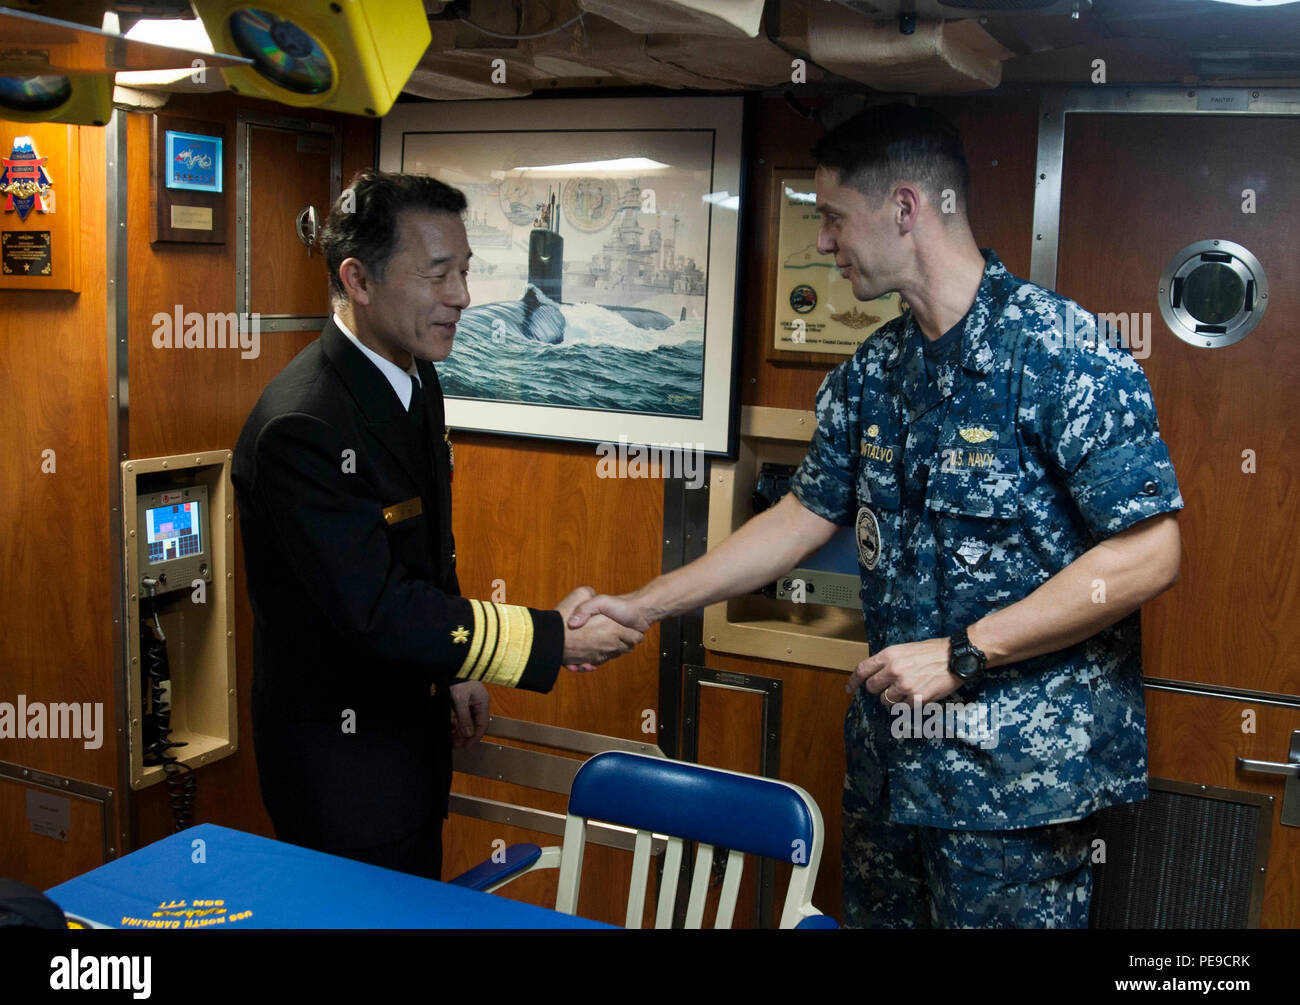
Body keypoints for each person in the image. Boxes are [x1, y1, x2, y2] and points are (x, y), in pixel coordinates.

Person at [569, 103, 1183, 928]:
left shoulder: (1064, 353)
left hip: (1014, 797)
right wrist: (644, 603)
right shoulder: (875, 371)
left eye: (831, 218)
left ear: (905, 207)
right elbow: (802, 514)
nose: (822, 243)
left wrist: (965, 651)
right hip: (892, 778)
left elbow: (1149, 554)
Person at [232, 171, 640, 880]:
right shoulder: (303, 427)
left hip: (410, 744)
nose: (463, 296)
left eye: (466, 271)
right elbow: (379, 609)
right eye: (439, 274)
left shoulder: (414, 373)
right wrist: (551, 636)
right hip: (342, 772)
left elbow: (425, 548)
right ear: (358, 280)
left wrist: (454, 665)